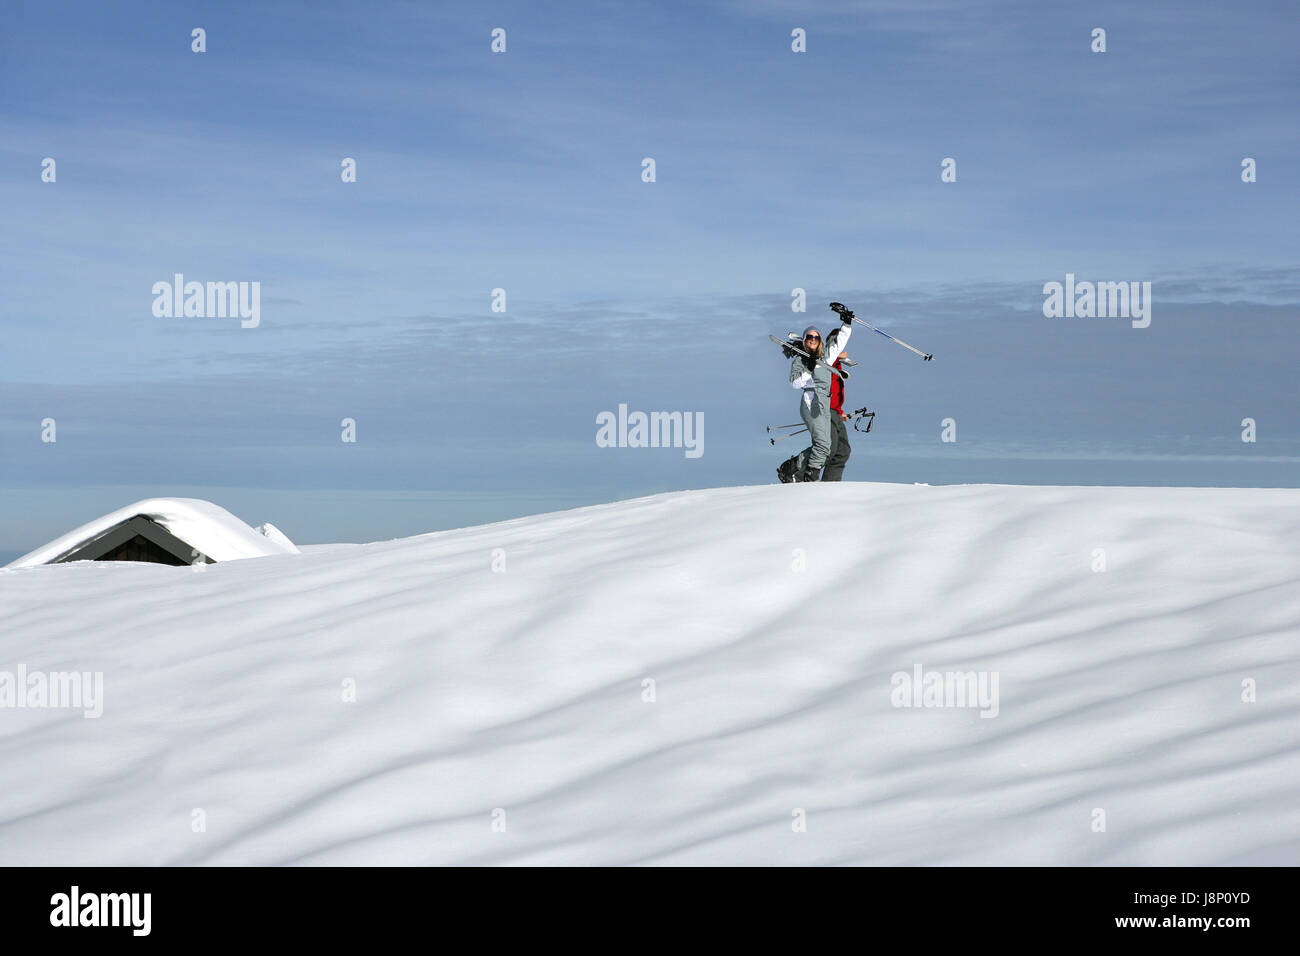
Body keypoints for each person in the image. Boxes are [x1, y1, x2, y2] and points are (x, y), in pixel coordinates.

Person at [778, 313, 852, 482]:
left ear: (820, 341)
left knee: (827, 447)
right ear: (804, 340)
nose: (813, 339)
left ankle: (801, 470)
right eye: (809, 337)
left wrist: (847, 324)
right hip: (812, 402)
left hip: (824, 402)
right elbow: (795, 383)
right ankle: (809, 475)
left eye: (816, 337)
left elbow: (839, 343)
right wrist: (808, 369)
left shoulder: (825, 357)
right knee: (822, 445)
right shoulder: (801, 360)